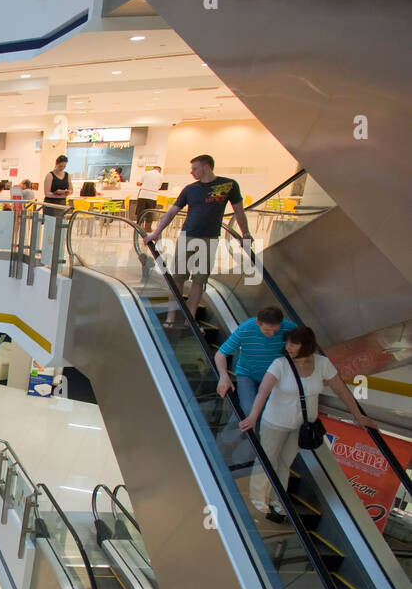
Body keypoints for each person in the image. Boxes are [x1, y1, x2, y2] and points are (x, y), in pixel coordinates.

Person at [238, 326, 373, 521]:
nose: (289, 347)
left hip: (303, 425)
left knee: (285, 462)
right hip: (275, 422)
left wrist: (358, 416)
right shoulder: (280, 364)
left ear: (306, 345)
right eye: (288, 342)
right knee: (267, 460)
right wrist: (252, 417)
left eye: (294, 343)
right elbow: (263, 392)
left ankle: (279, 502)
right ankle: (258, 499)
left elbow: (341, 390)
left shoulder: (322, 364)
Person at [144, 154, 251, 328]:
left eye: (195, 168)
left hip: (209, 239)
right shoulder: (190, 189)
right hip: (187, 236)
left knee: (199, 280)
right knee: (177, 278)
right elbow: (172, 212)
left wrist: (245, 233)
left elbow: (239, 211)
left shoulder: (228, 185)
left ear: (206, 167)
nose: (191, 172)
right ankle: (171, 317)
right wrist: (156, 233)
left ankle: (190, 318)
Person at [215, 306, 298, 463]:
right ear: (258, 323)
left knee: (264, 415)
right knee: (248, 408)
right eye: (267, 331)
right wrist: (223, 376)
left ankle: (252, 454)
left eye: (275, 330)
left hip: (274, 378)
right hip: (248, 374)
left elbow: (305, 346)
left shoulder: (290, 328)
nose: (272, 334)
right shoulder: (246, 328)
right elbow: (221, 353)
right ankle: (224, 444)